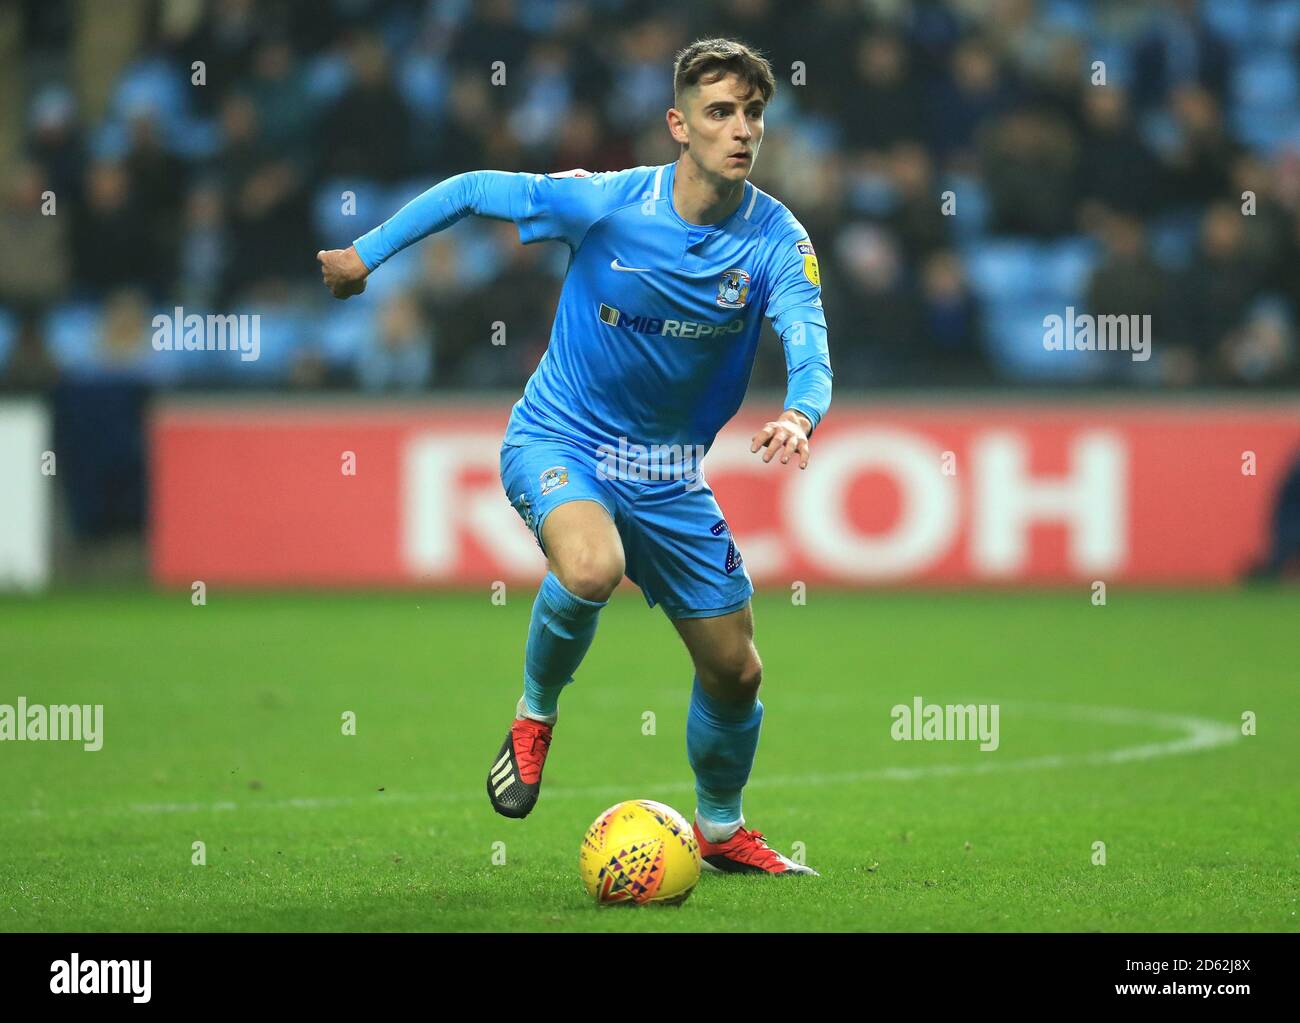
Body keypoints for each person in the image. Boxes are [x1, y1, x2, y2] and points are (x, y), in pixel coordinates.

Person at [316, 38, 831, 876]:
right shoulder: (606, 203)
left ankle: (721, 826)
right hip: (561, 441)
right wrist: (364, 255)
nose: (740, 130)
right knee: (592, 567)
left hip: (667, 475)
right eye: (719, 112)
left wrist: (803, 413)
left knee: (737, 670)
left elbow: (809, 342)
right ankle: (534, 715)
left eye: (752, 114)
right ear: (679, 125)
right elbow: (476, 188)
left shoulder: (776, 237)